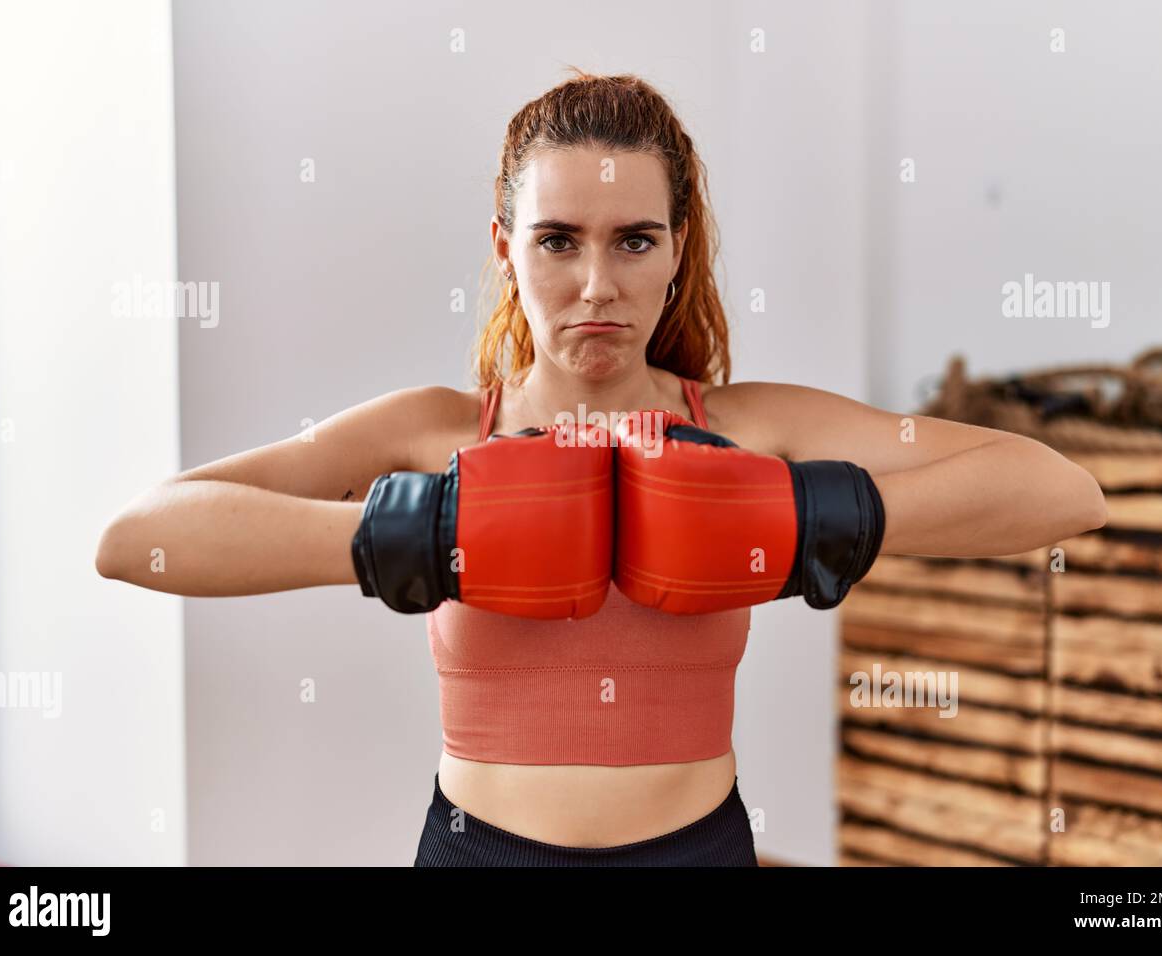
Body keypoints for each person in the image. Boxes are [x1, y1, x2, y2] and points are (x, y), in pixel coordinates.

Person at [95, 70, 1107, 867]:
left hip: (697, 853)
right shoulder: (435, 431)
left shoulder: (747, 428)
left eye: (632, 240)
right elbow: (138, 535)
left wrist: (803, 515)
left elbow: (1062, 489)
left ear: (677, 251)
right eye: (556, 241)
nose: (595, 284)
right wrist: (424, 530)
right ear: (505, 249)